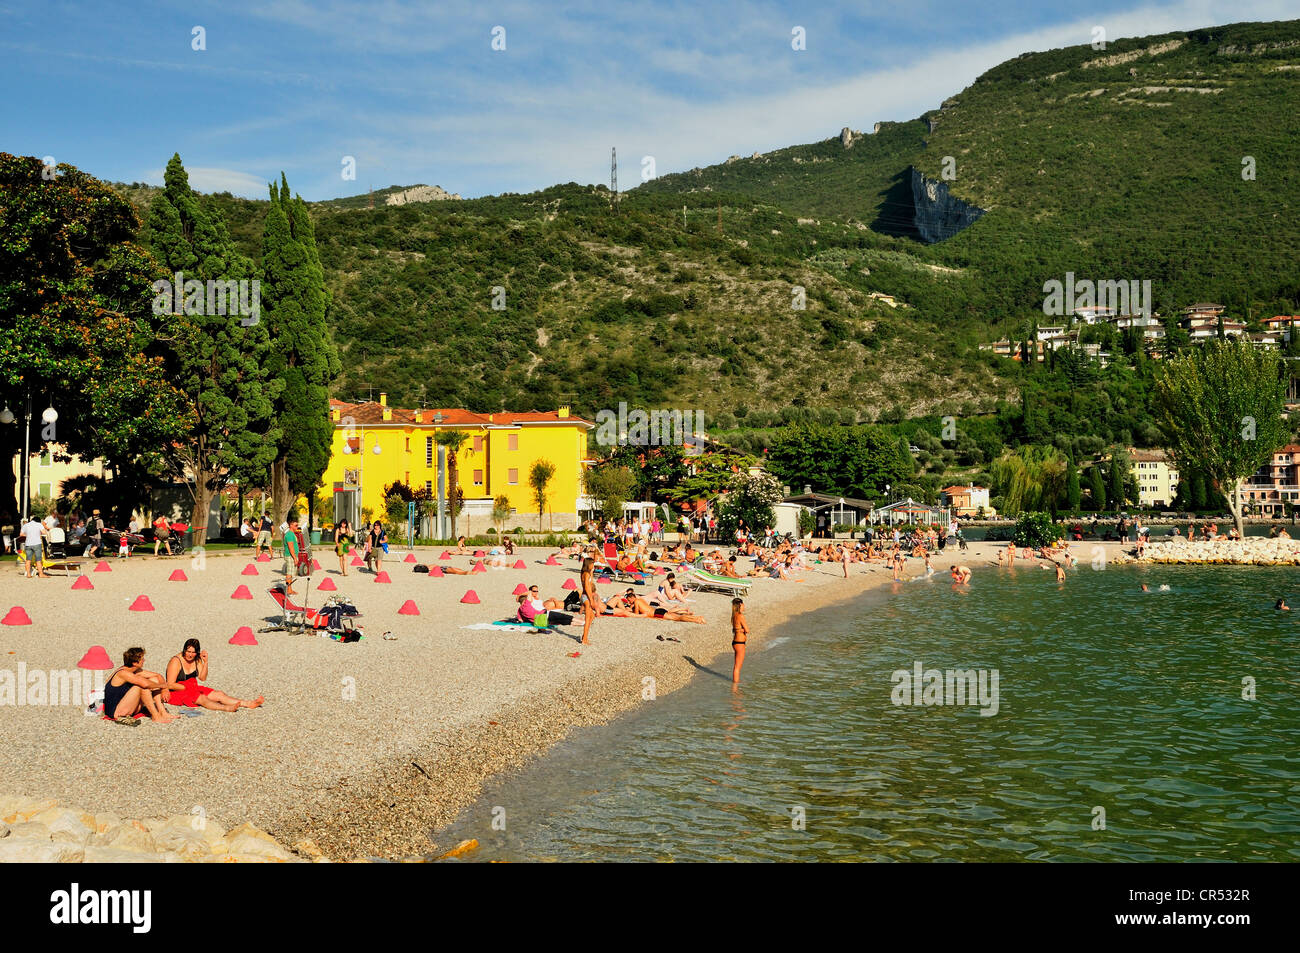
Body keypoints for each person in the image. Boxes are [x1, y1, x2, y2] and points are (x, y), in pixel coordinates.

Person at [164, 639, 264, 712]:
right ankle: (226, 708)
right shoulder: (176, 661)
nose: (190, 655)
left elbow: (202, 678)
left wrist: (205, 662)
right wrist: (186, 688)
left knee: (219, 694)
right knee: (202, 698)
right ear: (184, 650)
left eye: (193, 652)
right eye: (188, 651)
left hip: (192, 686)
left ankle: (248, 703)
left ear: (197, 652)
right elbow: (170, 684)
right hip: (177, 690)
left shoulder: (196, 659)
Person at [103, 647, 185, 725]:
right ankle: (155, 716)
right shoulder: (123, 673)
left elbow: (158, 676)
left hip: (127, 704)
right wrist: (164, 686)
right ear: (135, 663)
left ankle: (163, 712)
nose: (144, 660)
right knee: (141, 687)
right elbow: (145, 684)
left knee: (154, 680)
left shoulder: (134, 669)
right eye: (142, 659)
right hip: (116, 711)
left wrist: (165, 689)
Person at [283, 514, 304, 595]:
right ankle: (288, 590)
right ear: (290, 525)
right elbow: (291, 547)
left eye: (297, 525)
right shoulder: (289, 535)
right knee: (289, 573)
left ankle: (290, 589)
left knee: (292, 573)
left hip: (293, 556)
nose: (297, 527)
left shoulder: (292, 534)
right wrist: (295, 558)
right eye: (295, 525)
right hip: (290, 556)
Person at [731, 598, 749, 688]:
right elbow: (747, 630)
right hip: (740, 643)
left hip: (735, 642)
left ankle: (735, 684)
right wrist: (742, 630)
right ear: (740, 605)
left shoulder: (734, 615)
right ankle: (735, 687)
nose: (744, 606)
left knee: (736, 666)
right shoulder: (740, 616)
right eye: (743, 604)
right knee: (737, 667)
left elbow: (735, 629)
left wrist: (739, 629)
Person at [580, 556, 598, 645]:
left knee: (592, 616)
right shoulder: (586, 574)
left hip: (586, 596)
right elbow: (587, 588)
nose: (593, 565)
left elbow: (590, 583)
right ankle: (584, 639)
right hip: (586, 596)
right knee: (587, 619)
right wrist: (591, 600)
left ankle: (584, 636)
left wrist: (592, 571)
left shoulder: (585, 572)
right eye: (592, 563)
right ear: (589, 564)